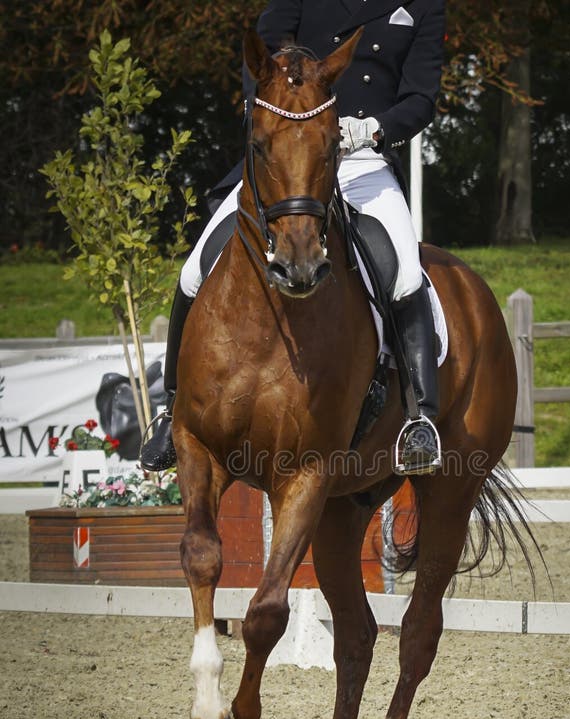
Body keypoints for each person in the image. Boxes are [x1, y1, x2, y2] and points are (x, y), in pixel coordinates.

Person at [140, 0, 447, 475]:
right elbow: (262, 58)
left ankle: (420, 419)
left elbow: (421, 96)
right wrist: (269, 117)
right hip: (286, 152)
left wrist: (377, 129)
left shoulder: (423, 6)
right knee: (194, 269)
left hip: (361, 156)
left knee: (405, 275)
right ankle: (171, 409)